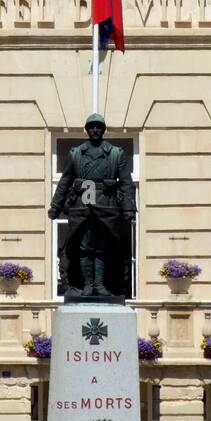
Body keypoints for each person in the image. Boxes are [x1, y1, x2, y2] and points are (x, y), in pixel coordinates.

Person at [48, 113, 135, 298]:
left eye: (98, 127)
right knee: (84, 246)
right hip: (82, 207)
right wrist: (56, 206)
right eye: (91, 127)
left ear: (103, 129)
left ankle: (100, 285)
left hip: (107, 207)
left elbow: (126, 182)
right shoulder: (76, 153)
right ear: (87, 130)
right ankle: (87, 285)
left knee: (104, 245)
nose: (95, 130)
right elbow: (65, 181)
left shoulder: (116, 153)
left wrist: (128, 208)